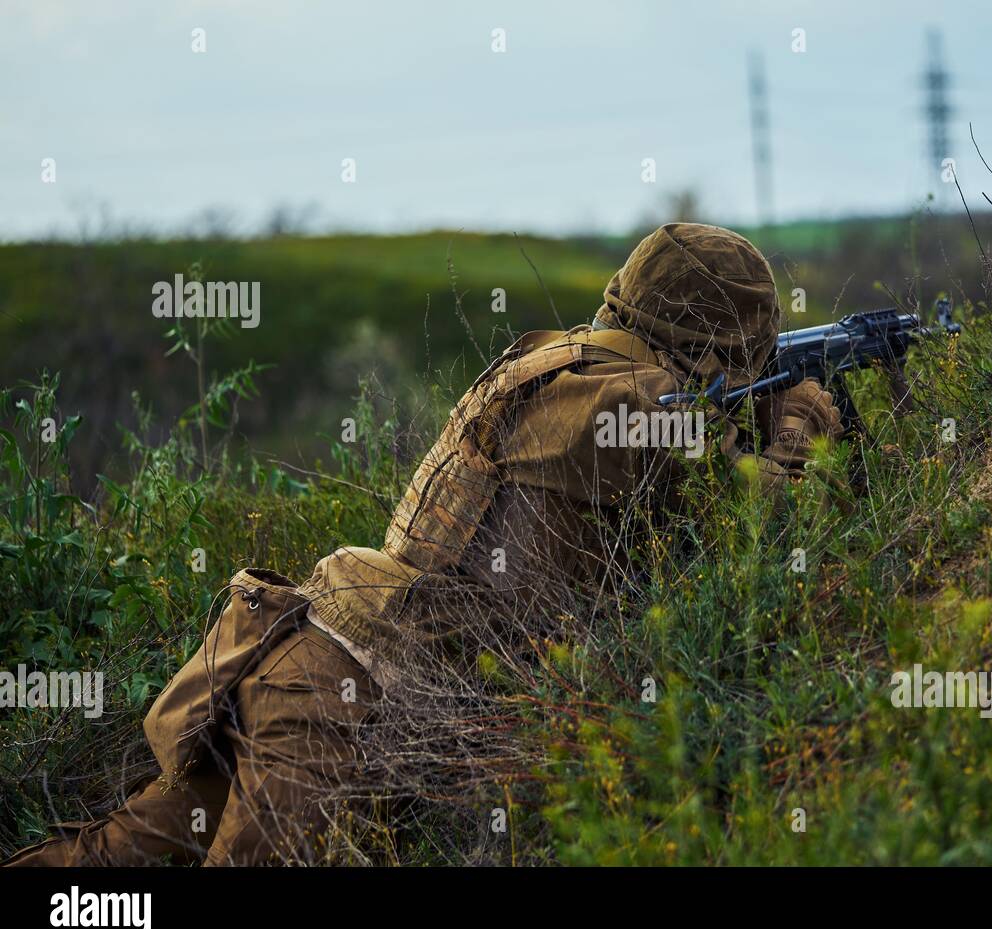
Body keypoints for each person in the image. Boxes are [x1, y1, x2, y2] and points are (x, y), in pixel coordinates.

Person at [4, 223, 843, 866]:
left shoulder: (555, 358)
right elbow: (752, 514)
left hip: (307, 647)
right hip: (338, 693)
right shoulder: (630, 403)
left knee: (109, 865)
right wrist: (798, 420)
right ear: (717, 351)